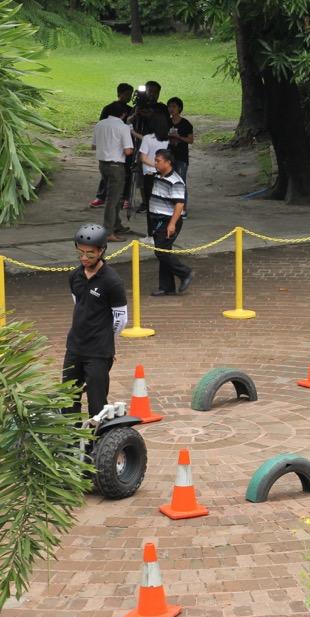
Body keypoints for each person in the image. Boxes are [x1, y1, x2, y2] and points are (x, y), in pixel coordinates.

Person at [63, 224, 128, 418]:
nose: (84, 258)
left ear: (101, 251)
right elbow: (79, 304)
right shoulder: (75, 276)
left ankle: (97, 443)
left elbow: (121, 319)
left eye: (90, 254)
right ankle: (71, 441)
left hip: (98, 352)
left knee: (97, 403)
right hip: (74, 347)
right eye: (80, 253)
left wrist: (107, 341)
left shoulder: (112, 281)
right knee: (67, 398)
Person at [147, 149, 193, 296]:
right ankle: (167, 287)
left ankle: (185, 272)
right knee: (164, 252)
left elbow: (180, 204)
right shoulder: (158, 175)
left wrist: (172, 224)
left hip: (168, 220)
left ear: (168, 162)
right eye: (155, 160)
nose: (155, 163)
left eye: (158, 161)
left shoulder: (176, 181)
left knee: (161, 251)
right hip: (157, 220)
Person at [91, 102, 134, 242]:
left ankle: (116, 224)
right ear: (123, 114)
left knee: (114, 196)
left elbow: (93, 146)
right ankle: (108, 231)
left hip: (102, 164)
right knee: (113, 199)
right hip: (116, 165)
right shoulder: (123, 127)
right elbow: (128, 151)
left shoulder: (100, 124)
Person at [90, 83, 134, 209]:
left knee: (127, 172)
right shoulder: (109, 108)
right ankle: (102, 197)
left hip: (126, 144)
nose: (129, 97)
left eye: (130, 95)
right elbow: (103, 125)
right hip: (112, 146)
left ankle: (125, 198)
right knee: (109, 174)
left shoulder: (131, 109)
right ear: (119, 94)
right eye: (126, 95)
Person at [166, 97, 194, 217]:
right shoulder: (166, 122)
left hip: (181, 157)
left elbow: (190, 140)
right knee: (168, 182)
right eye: (170, 106)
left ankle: (183, 208)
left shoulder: (186, 124)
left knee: (180, 182)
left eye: (174, 106)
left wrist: (178, 137)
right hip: (168, 156)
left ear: (179, 108)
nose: (171, 109)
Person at [137, 115, 170, 215]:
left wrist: (155, 165)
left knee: (150, 200)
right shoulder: (167, 139)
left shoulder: (148, 138)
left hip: (149, 172)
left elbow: (143, 158)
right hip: (163, 173)